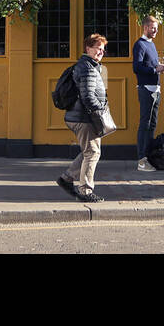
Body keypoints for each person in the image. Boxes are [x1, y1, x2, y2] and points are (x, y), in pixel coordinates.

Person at [58, 33, 109, 203]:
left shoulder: (91, 66)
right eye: (97, 48)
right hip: (83, 117)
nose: (101, 52)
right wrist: (100, 110)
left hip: (83, 116)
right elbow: (87, 96)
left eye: (102, 49)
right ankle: (85, 191)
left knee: (90, 151)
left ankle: (66, 179)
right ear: (88, 48)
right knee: (92, 152)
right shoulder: (86, 67)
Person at [132, 14, 164, 172]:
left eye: (157, 28)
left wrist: (158, 66)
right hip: (145, 89)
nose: (155, 31)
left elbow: (150, 64)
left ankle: (149, 156)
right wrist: (155, 69)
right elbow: (136, 68)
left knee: (152, 124)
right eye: (153, 28)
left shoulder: (151, 45)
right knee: (144, 124)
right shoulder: (139, 44)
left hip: (156, 88)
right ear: (145, 27)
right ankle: (141, 160)